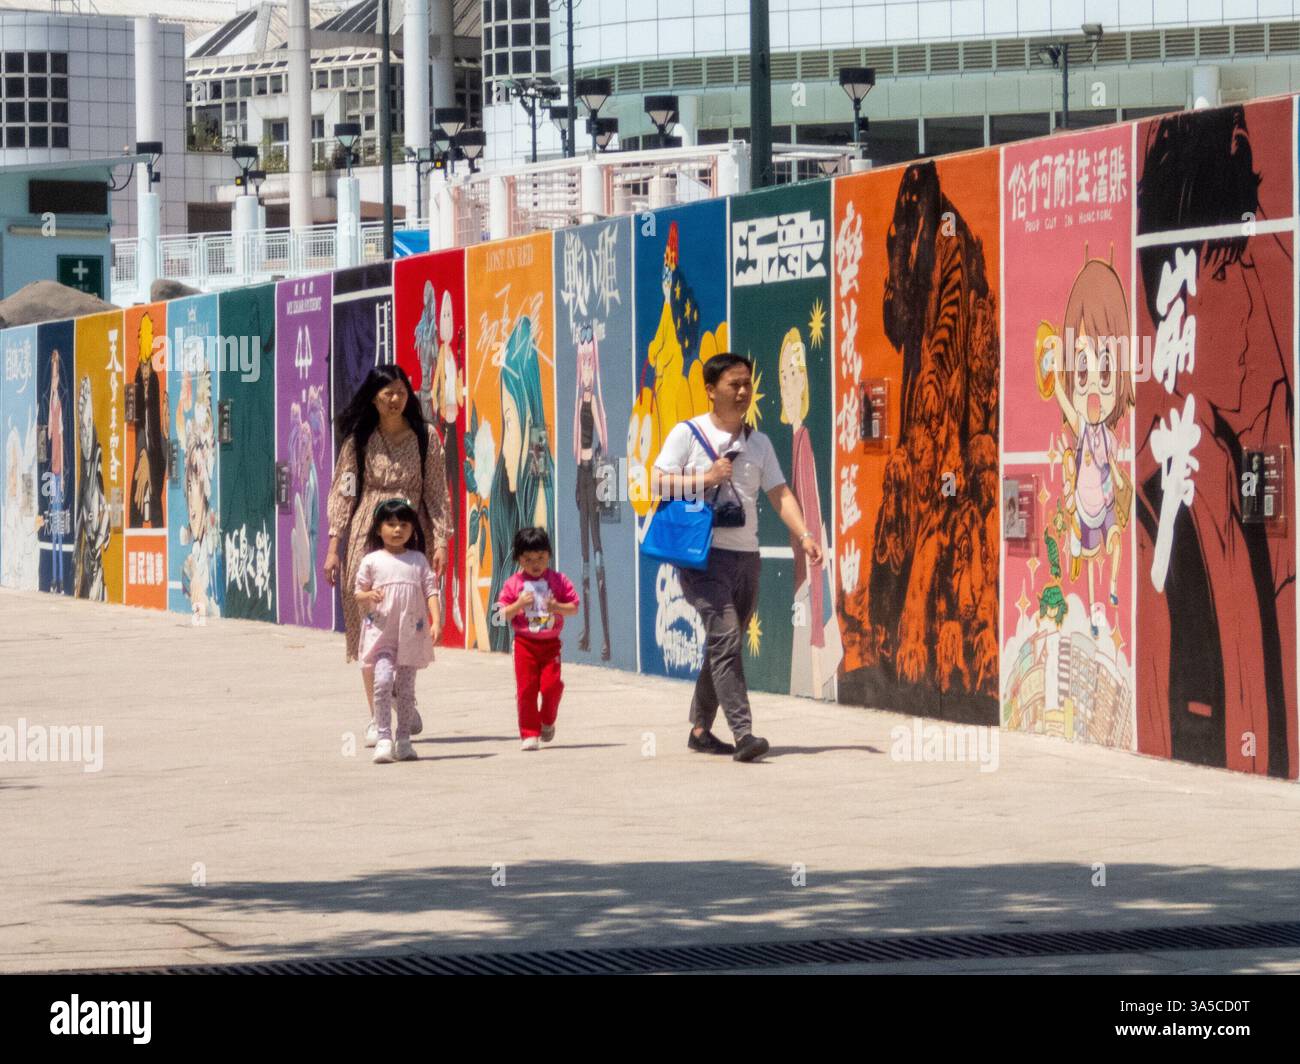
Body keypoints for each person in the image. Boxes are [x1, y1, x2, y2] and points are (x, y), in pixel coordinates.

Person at [652, 352, 825, 763]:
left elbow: (780, 493)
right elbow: (657, 482)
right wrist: (705, 478)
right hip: (702, 556)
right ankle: (744, 733)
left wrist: (804, 535)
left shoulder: (759, 443)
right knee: (726, 638)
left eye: (747, 382)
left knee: (724, 643)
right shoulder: (687, 434)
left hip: (747, 557)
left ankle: (699, 729)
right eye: (734, 384)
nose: (744, 391)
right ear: (711, 391)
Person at [325, 366, 451, 747]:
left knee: (407, 618)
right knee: (369, 620)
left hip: (412, 531)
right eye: (386, 394)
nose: (394, 400)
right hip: (368, 530)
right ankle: (376, 713)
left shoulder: (426, 438)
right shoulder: (359, 440)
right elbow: (344, 493)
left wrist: (441, 540)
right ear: (374, 398)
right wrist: (334, 546)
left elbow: (437, 492)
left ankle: (403, 698)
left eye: (400, 392)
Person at [353, 498, 442, 764]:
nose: (397, 530)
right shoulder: (372, 560)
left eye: (403, 524)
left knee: (405, 690)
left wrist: (436, 621)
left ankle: (403, 740)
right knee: (381, 683)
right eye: (390, 524)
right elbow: (358, 593)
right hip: (381, 635)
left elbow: (431, 591)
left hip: (410, 635)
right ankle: (383, 738)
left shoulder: (418, 561)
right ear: (378, 529)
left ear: (413, 529)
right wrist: (369, 594)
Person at [495, 526, 579, 751]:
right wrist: (519, 604)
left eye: (540, 557)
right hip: (524, 644)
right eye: (528, 558)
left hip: (551, 645)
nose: (535, 563)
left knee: (552, 686)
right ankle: (529, 733)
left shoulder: (558, 580)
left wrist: (556, 606)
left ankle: (547, 720)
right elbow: (498, 616)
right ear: (519, 559)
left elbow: (574, 608)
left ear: (549, 555)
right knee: (526, 689)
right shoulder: (513, 584)